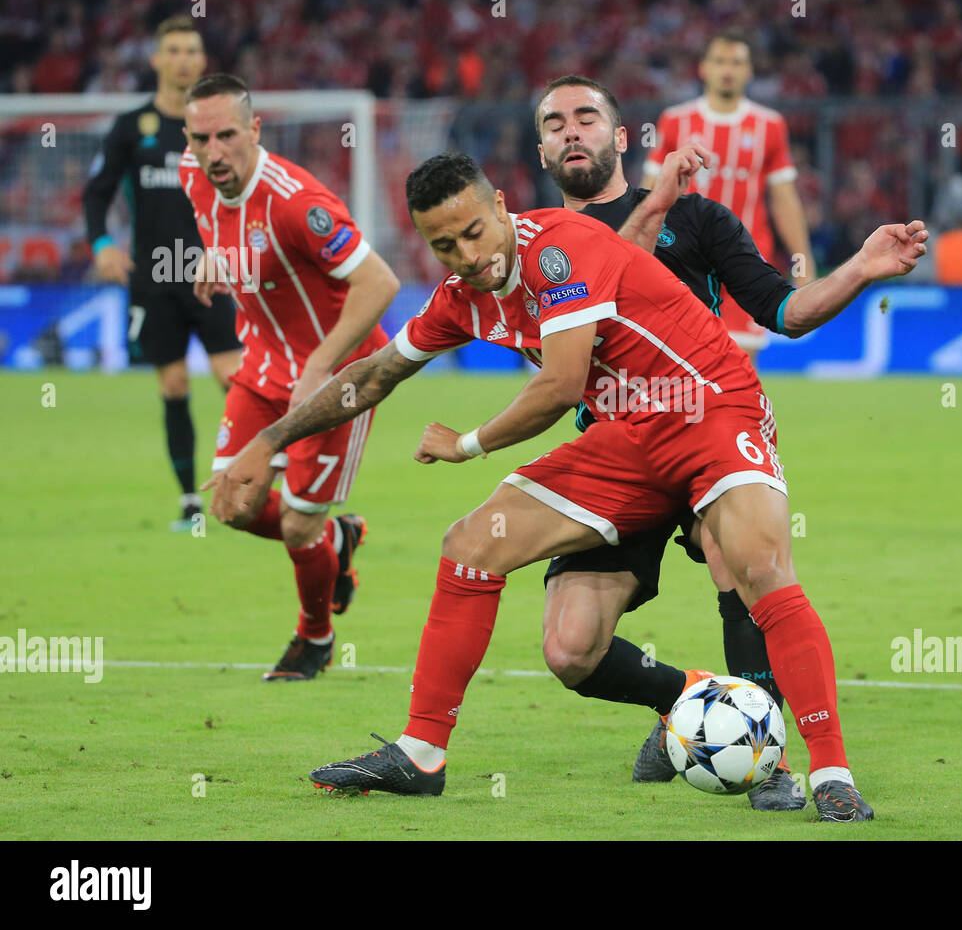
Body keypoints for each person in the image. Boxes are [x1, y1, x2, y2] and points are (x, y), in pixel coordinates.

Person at [208, 153, 926, 820]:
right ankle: (422, 755)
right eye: (446, 246)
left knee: (762, 568)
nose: (468, 255)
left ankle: (832, 776)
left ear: (499, 205)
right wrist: (267, 441)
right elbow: (374, 375)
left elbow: (559, 386)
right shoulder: (460, 297)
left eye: (474, 231)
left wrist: (465, 444)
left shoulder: (557, 248)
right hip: (624, 441)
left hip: (710, 406)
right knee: (491, 568)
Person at [533, 74, 929, 810]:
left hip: (708, 426)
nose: (571, 131)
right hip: (614, 450)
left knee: (737, 561)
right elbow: (596, 290)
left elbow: (784, 308)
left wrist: (861, 268)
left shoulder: (699, 220)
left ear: (621, 139)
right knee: (568, 649)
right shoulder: (542, 248)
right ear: (541, 148)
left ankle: (783, 760)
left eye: (587, 117)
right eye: (554, 123)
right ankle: (693, 705)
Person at [181, 74, 400, 681]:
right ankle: (339, 542)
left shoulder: (297, 202)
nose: (214, 150)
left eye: (228, 135)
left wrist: (321, 364)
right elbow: (219, 218)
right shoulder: (193, 172)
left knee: (299, 522)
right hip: (263, 365)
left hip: (341, 375)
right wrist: (211, 253)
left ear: (255, 130)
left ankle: (315, 638)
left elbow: (380, 283)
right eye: (202, 138)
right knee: (228, 501)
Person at [82, 15, 242, 530]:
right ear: (156, 59)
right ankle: (189, 503)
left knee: (234, 380)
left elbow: (244, 192)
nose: (181, 59)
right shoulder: (132, 127)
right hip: (153, 280)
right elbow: (96, 192)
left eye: (190, 50)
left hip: (210, 276)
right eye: (171, 49)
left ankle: (250, 484)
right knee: (173, 384)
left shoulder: (214, 128)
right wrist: (103, 243)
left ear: (201, 62)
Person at [643, 31, 816, 360]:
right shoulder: (675, 121)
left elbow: (784, 200)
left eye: (737, 62)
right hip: (682, 261)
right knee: (678, 363)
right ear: (703, 68)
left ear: (749, 71)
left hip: (744, 261)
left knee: (739, 366)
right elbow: (650, 192)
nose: (728, 70)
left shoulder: (770, 125)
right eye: (720, 61)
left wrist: (802, 261)